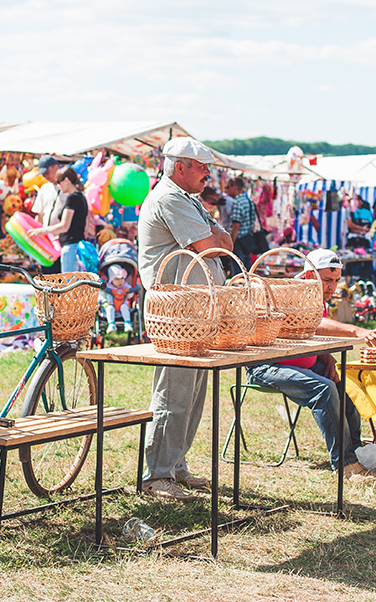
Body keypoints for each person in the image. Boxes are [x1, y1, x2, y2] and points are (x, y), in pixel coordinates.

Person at [137, 137, 233, 502]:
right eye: (202, 166)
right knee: (174, 390)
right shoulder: (169, 198)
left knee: (191, 392)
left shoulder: (186, 198)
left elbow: (222, 242)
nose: (208, 173)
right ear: (180, 167)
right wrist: (214, 238)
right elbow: (214, 246)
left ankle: (173, 466)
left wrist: (214, 238)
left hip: (192, 308)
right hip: (176, 310)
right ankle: (157, 474)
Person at [246, 248, 376, 480]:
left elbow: (305, 333)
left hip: (301, 364)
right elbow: (316, 324)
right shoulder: (291, 292)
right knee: (324, 389)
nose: (332, 287)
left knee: (345, 386)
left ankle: (357, 453)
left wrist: (326, 356)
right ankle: (345, 464)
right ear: (310, 276)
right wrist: (356, 330)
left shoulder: (317, 296)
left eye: (336, 281)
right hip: (266, 366)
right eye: (327, 280)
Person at [28, 167, 88, 273]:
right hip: (76, 246)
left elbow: (64, 226)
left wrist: (41, 231)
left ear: (67, 181)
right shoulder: (80, 197)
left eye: (59, 182)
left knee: (69, 285)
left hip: (70, 246)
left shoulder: (72, 198)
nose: (58, 185)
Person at [228, 177, 255, 270]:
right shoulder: (249, 201)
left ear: (234, 187)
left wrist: (230, 245)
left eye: (228, 187)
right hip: (248, 241)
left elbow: (236, 227)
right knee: (246, 272)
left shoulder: (237, 203)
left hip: (239, 242)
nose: (226, 190)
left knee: (238, 275)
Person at [100, 264, 135, 334]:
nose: (120, 281)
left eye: (122, 278)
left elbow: (130, 296)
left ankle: (127, 323)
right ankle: (111, 325)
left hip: (122, 305)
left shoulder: (125, 286)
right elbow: (101, 296)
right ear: (111, 280)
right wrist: (104, 302)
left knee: (124, 307)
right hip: (110, 305)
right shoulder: (107, 287)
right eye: (117, 279)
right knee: (110, 308)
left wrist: (129, 290)